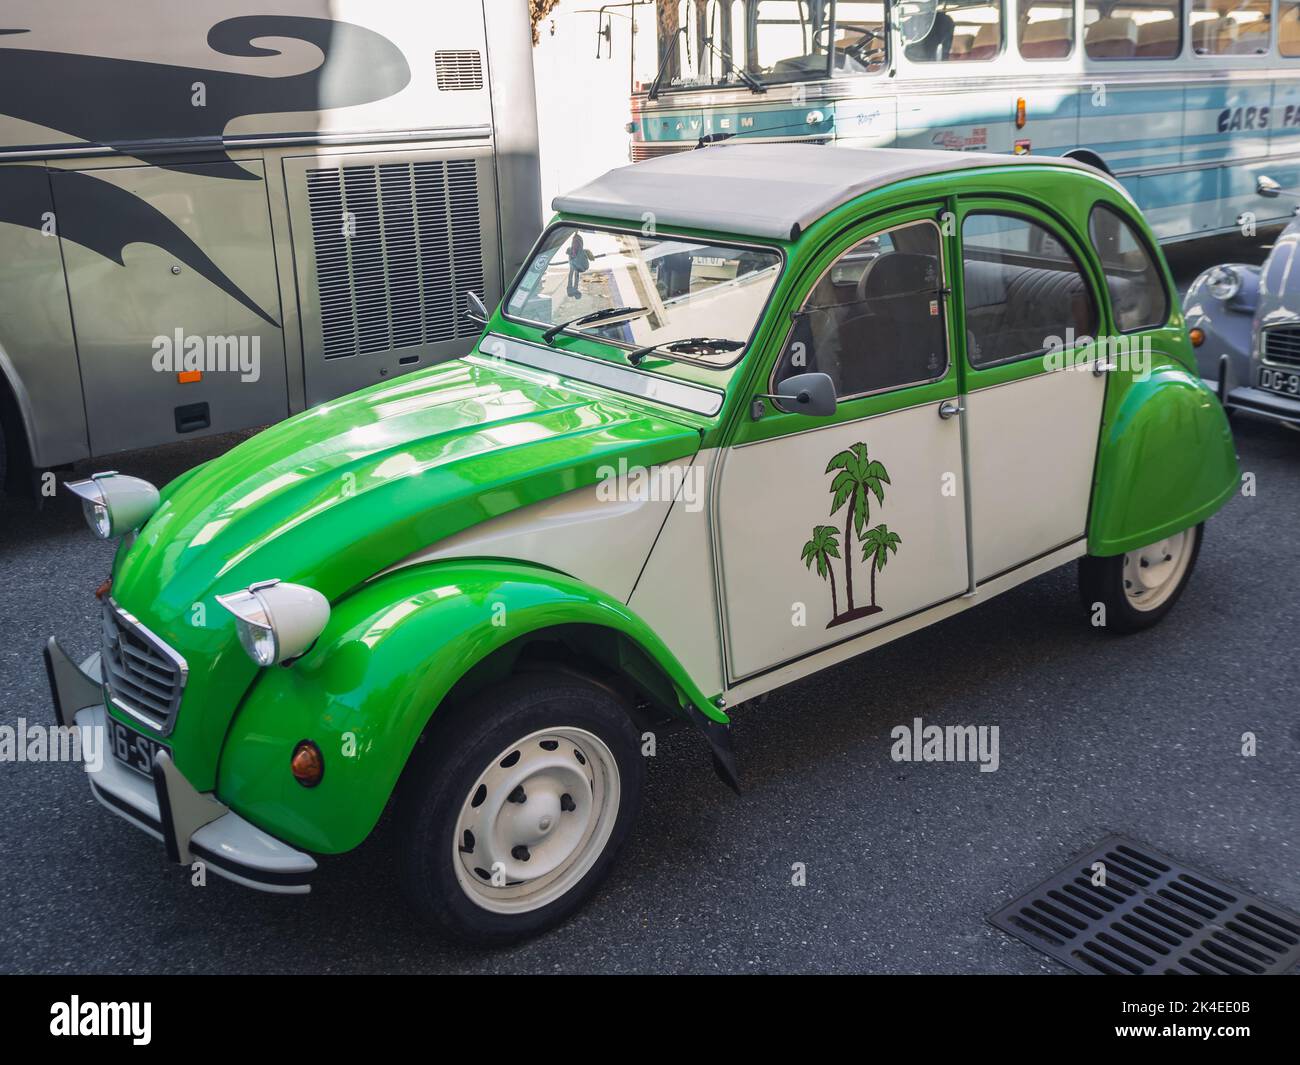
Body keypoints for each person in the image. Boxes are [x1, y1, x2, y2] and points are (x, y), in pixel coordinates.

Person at [566, 232, 588, 297]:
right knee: (574, 272)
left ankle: (572, 287)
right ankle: (572, 287)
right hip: (574, 260)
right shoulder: (577, 241)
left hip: (574, 259)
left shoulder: (576, 241)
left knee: (573, 272)